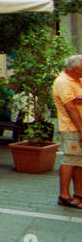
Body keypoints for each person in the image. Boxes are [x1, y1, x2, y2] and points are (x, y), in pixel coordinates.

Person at [52, 54, 82, 208]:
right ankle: (64, 195)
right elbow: (70, 107)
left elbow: (77, 100)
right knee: (70, 160)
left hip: (77, 127)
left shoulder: (77, 79)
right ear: (75, 69)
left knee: (78, 161)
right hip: (72, 127)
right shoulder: (63, 82)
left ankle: (79, 194)